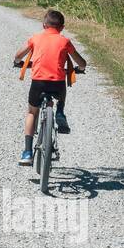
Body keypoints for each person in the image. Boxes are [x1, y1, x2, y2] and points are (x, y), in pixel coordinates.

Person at [13, 9, 86, 164]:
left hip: (38, 82)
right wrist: (80, 69)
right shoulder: (65, 41)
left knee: (32, 112)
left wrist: (18, 63)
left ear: (44, 24)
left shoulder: (35, 38)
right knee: (61, 87)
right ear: (62, 27)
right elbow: (82, 63)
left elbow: (18, 56)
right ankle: (60, 111)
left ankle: (27, 152)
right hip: (58, 84)